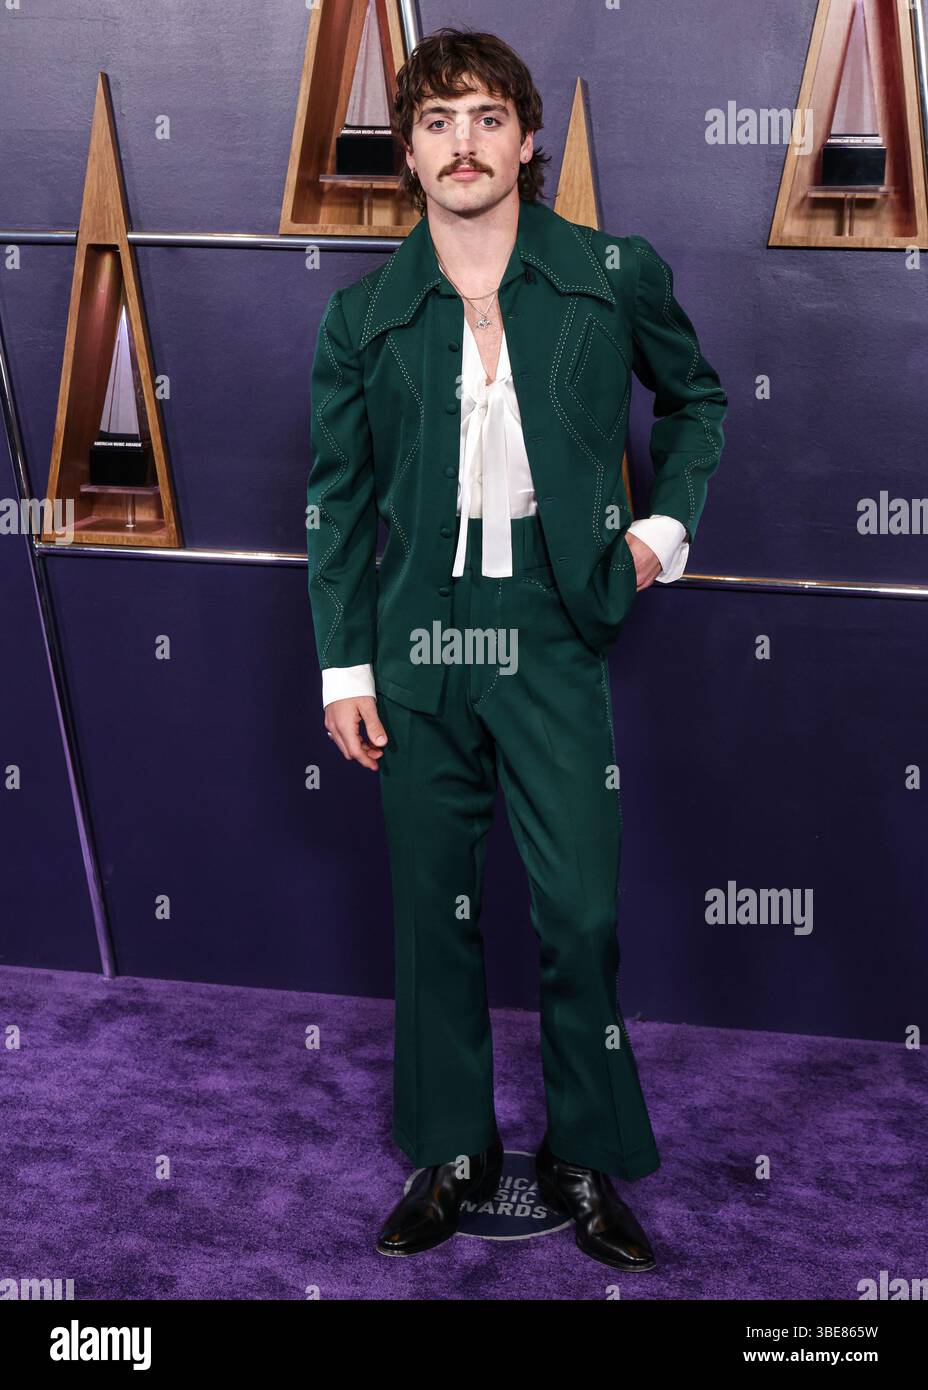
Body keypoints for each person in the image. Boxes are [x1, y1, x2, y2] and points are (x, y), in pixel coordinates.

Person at [306, 26, 727, 1271]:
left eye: (487, 117)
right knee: (433, 916)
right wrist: (344, 668)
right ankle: (452, 1151)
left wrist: (661, 528)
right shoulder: (363, 316)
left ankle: (582, 1158)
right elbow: (333, 500)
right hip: (416, 638)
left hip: (550, 626)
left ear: (526, 140)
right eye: (437, 122)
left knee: (580, 911)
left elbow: (697, 400)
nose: (463, 144)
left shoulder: (608, 270)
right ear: (410, 150)